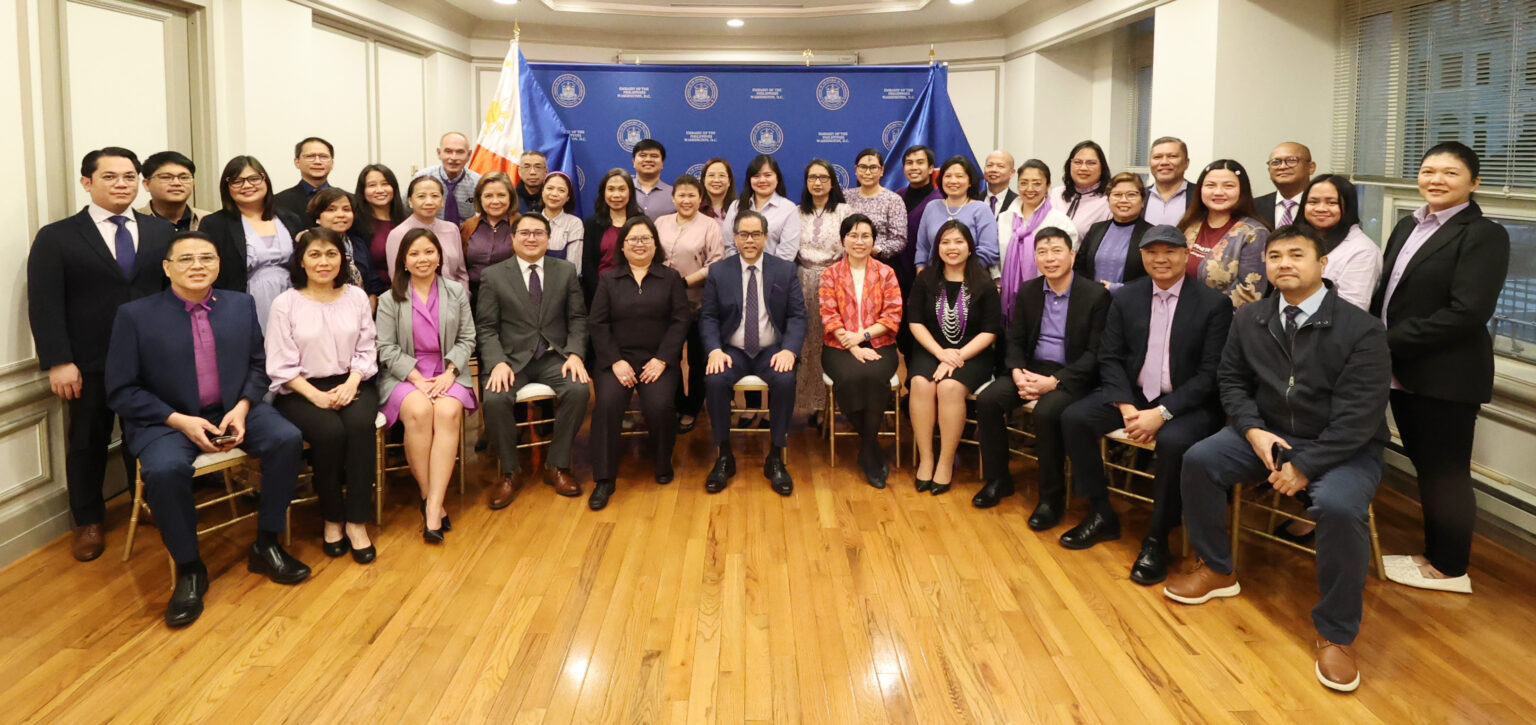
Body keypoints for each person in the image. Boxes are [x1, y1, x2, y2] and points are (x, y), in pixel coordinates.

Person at [1167, 224, 1390, 693]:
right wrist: (1252, 430)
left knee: (1338, 507)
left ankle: (1336, 633)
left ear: (1322, 264)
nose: (1284, 263)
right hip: (1267, 433)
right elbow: (1231, 382)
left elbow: (1360, 417)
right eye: (1274, 256)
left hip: (1342, 446)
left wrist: (1305, 467)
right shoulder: (1250, 318)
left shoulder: (1362, 329)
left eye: (1296, 255)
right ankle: (1217, 568)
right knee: (1199, 459)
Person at [106, 231, 310, 628]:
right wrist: (179, 420)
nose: (197, 266)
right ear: (167, 268)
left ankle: (266, 543)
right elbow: (121, 389)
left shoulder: (239, 305)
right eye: (186, 259)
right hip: (166, 418)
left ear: (219, 264)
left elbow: (257, 364)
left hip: (234, 408)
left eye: (206, 258)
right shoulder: (135, 315)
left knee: (287, 439)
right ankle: (189, 568)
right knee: (164, 471)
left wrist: (242, 407)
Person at [1058, 224, 1231, 585]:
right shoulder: (1126, 297)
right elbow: (1110, 356)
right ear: (1142, 257)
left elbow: (1211, 373)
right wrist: (1124, 405)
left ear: (1186, 255)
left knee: (1171, 442)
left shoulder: (1213, 304)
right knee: (1074, 417)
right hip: (1134, 394)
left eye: (1170, 251)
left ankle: (1157, 538)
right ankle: (1102, 513)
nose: (1161, 259)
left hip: (1187, 401)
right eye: (1152, 252)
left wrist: (1163, 413)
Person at [1371, 142, 1509, 594]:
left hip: (1444, 375)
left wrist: (1383, 340)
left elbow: (1467, 311)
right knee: (1425, 467)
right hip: (1401, 369)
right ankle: (1434, 554)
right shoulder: (1408, 225)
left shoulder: (1483, 233)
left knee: (1445, 470)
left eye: (1450, 173)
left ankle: (1449, 568)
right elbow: (1389, 292)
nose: (1436, 180)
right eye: (1429, 170)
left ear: (1474, 182)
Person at [27, 147, 173, 562]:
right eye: (110, 177)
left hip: (150, 359)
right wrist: (59, 360)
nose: (121, 184)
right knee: (87, 441)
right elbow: (45, 303)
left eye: (129, 176)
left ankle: (143, 502)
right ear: (87, 182)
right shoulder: (57, 237)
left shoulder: (160, 232)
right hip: (87, 361)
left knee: (144, 435)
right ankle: (88, 520)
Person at [974, 227, 1109, 512]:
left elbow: (1096, 354)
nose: (1049, 258)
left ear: (1072, 254)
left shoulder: (1095, 295)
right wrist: (1016, 371)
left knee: (1047, 412)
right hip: (1031, 368)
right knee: (988, 400)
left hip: (1072, 373)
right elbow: (1015, 339)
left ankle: (1051, 497)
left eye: (1057, 251)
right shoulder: (1029, 290)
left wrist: (1055, 382)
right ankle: (998, 479)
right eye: (1042, 252)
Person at [265, 228, 379, 564]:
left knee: (359, 429)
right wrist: (314, 395)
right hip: (300, 389)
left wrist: (353, 382)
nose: (324, 261)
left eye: (331, 254)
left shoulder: (356, 296)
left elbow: (367, 347)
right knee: (329, 433)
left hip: (353, 381)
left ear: (342, 258)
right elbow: (280, 364)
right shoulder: (285, 303)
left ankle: (357, 521)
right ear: (301, 260)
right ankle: (332, 518)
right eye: (314, 254)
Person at [478, 213, 592, 505]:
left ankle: (557, 464)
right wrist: (497, 362)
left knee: (579, 390)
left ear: (548, 238)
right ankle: (510, 472)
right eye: (525, 233)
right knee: (494, 398)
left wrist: (576, 354)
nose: (532, 238)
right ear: (513, 238)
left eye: (538, 233)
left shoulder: (565, 271)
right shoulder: (493, 275)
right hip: (511, 361)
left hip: (554, 357)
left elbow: (578, 318)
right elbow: (487, 327)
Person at [375, 228, 477, 542]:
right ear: (403, 260)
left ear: (439, 256)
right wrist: (416, 377)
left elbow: (467, 337)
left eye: (429, 252)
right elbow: (385, 347)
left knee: (446, 413)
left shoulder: (455, 292)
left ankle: (432, 506)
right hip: (404, 374)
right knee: (419, 412)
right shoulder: (389, 298)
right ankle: (429, 496)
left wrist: (449, 373)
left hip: (449, 371)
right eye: (415, 253)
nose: (423, 259)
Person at [699, 210, 807, 495]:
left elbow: (797, 316)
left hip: (771, 350)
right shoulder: (719, 271)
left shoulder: (784, 270)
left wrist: (789, 351)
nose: (750, 240)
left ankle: (776, 456)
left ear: (765, 237)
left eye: (756, 234)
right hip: (732, 351)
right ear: (734, 237)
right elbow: (708, 316)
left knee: (785, 380)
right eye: (744, 234)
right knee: (714, 380)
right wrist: (713, 350)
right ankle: (724, 455)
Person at [588, 217, 691, 510]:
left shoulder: (670, 277)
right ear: (623, 246)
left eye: (646, 238)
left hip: (657, 358)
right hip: (617, 359)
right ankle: (604, 478)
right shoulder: (609, 279)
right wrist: (615, 361)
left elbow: (680, 320)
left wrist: (662, 359)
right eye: (633, 239)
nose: (640, 244)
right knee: (607, 404)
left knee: (660, 406)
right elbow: (597, 323)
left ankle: (662, 462)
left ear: (655, 244)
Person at [907, 221, 1002, 495]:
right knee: (921, 384)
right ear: (937, 247)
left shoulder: (984, 282)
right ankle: (926, 458)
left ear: (970, 247)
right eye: (946, 242)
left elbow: (990, 331)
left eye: (959, 242)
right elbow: (914, 322)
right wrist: (940, 354)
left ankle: (945, 462)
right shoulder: (925, 279)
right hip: (931, 349)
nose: (952, 248)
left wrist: (956, 356)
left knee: (949, 387)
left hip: (972, 353)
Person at [820, 214, 904, 487]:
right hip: (838, 345)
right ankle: (872, 449)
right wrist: (853, 345)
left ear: (873, 240)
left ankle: (867, 450)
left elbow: (893, 315)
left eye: (865, 236)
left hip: (880, 343)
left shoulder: (886, 273)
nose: (859, 241)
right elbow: (829, 316)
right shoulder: (830, 273)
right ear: (843, 239)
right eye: (853, 235)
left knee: (874, 376)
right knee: (851, 377)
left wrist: (863, 336)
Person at [197, 155, 305, 331]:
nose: (247, 186)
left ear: (265, 181)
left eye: (254, 178)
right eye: (237, 181)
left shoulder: (290, 218)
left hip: (294, 298)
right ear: (227, 187)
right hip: (241, 304)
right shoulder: (214, 224)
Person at [655, 175, 726, 433]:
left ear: (700, 199)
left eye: (692, 195)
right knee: (669, 356)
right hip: (663, 305)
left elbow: (716, 264)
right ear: (673, 197)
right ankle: (674, 403)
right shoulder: (660, 222)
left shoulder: (710, 226)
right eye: (681, 195)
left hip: (698, 303)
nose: (686, 200)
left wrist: (684, 283)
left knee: (698, 360)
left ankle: (692, 407)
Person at [794, 159, 852, 428]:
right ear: (806, 182)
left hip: (834, 281)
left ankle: (832, 404)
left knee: (832, 341)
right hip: (801, 280)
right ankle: (811, 402)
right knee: (806, 343)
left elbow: (851, 248)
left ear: (832, 182)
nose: (817, 182)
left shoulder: (843, 211)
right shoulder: (796, 212)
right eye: (812, 177)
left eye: (823, 177)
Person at [996, 159, 1080, 325]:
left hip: (1047, 296)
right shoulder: (1004, 218)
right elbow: (995, 256)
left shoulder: (1060, 221)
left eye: (1037, 183)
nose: (1029, 189)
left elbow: (1067, 262)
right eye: (1024, 183)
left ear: (1047, 185)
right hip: (1005, 295)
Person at [1178, 159, 1269, 305]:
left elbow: (1248, 294)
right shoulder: (1190, 224)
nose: (1218, 192)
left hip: (1222, 322)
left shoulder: (1254, 233)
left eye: (1228, 186)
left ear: (1242, 190)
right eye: (1210, 185)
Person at [1296, 174, 1383, 310]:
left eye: (1332, 203)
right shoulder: (1297, 240)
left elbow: (1352, 309)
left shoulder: (1363, 251)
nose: (1320, 208)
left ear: (1348, 206)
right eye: (1313, 202)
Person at [915, 156, 999, 271]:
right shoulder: (931, 207)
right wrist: (921, 272)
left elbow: (989, 250)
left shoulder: (981, 209)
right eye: (948, 176)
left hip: (971, 278)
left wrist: (958, 274)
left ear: (970, 181)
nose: (953, 181)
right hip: (933, 279)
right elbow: (922, 247)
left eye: (959, 176)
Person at [385, 175, 469, 286]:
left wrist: (462, 298)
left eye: (435, 196)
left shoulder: (452, 229)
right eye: (421, 196)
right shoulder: (398, 234)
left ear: (442, 200)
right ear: (410, 201)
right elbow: (397, 278)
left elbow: (461, 273)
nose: (429, 202)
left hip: (455, 299)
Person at [1076, 172, 1153, 292]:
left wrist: (1118, 289)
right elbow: (1080, 268)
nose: (1123, 200)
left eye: (1131, 195)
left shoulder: (1151, 234)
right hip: (1093, 303)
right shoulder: (1096, 229)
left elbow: (1154, 276)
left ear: (1142, 201)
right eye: (1117, 195)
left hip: (1130, 304)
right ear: (1108, 200)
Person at [307, 188, 388, 297]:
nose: (341, 215)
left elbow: (374, 283)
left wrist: (371, 302)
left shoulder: (358, 244)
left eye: (346, 209)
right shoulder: (308, 244)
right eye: (331, 210)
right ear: (318, 216)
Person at [722, 154, 801, 262]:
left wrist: (763, 273)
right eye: (756, 176)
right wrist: (740, 270)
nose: (762, 180)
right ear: (750, 180)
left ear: (777, 178)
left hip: (774, 275)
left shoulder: (789, 209)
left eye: (768, 175)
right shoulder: (736, 206)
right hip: (738, 274)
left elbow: (787, 253)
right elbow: (729, 245)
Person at [581, 168, 644, 303]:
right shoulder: (593, 223)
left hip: (637, 294)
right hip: (599, 293)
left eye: (622, 189)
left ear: (630, 192)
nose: (616, 195)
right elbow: (588, 263)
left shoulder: (642, 221)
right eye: (611, 189)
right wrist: (601, 292)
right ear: (603, 192)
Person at [460, 171, 519, 302]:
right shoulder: (468, 227)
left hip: (512, 296)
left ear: (511, 197)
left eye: (501, 195)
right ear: (480, 199)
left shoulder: (521, 225)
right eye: (488, 196)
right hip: (474, 296)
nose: (495, 201)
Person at [843, 148, 907, 266]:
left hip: (880, 264)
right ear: (856, 170)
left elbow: (899, 239)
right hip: (847, 262)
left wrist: (876, 250)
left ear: (882, 170)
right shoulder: (845, 196)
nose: (867, 172)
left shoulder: (893, 200)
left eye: (873, 167)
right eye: (862, 167)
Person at [894, 145, 941, 292]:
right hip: (896, 275)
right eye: (909, 163)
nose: (914, 167)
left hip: (926, 273)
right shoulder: (896, 197)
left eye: (920, 162)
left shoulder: (940, 201)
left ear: (931, 168)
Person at [355, 164, 409, 289]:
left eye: (385, 184)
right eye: (372, 185)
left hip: (409, 291)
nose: (380, 190)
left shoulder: (408, 218)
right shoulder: (356, 223)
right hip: (374, 293)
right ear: (363, 191)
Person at [1049, 140, 1113, 238]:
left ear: (1102, 167)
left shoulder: (1108, 201)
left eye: (1091, 163)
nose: (1083, 168)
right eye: (1078, 162)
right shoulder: (1056, 194)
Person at [414, 132, 480, 224]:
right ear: (439, 153)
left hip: (464, 236)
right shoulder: (421, 179)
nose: (453, 157)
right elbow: (403, 209)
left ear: (468, 155)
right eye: (448, 151)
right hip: (429, 235)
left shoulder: (478, 182)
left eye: (460, 152)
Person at [138, 151, 210, 232]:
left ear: (193, 183)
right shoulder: (132, 222)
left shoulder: (210, 221)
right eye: (166, 177)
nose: (177, 183)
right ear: (147, 184)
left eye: (184, 177)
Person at [1254, 142, 1317, 229]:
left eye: (1291, 160)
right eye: (1276, 162)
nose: (1282, 167)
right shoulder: (1254, 207)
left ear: (1311, 167)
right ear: (1269, 170)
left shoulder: (1323, 206)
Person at [273, 137, 334, 219]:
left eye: (324, 156)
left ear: (332, 163)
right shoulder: (278, 202)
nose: (317, 162)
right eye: (310, 156)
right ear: (297, 162)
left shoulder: (347, 201)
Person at [1142, 137, 1193, 226]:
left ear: (1186, 163)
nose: (1164, 162)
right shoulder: (1139, 197)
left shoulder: (1200, 196)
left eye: (1172, 156)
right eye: (1157, 157)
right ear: (1150, 163)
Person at [542, 171, 584, 272]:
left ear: (568, 197)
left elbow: (574, 267)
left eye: (561, 190)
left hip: (563, 284)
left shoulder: (574, 223)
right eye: (550, 188)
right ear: (542, 191)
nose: (554, 194)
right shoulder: (530, 221)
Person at [631, 139, 675, 218]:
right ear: (633, 161)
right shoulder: (623, 191)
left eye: (654, 156)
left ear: (662, 163)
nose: (648, 159)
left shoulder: (674, 194)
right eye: (643, 155)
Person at [699, 157, 738, 223]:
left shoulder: (738, 209)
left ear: (729, 181)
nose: (716, 180)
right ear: (703, 180)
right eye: (711, 175)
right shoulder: (695, 209)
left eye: (721, 175)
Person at [981, 150, 1018, 215]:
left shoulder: (1018, 202)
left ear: (1012, 173)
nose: (993, 170)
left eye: (1000, 166)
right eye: (989, 165)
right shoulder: (973, 200)